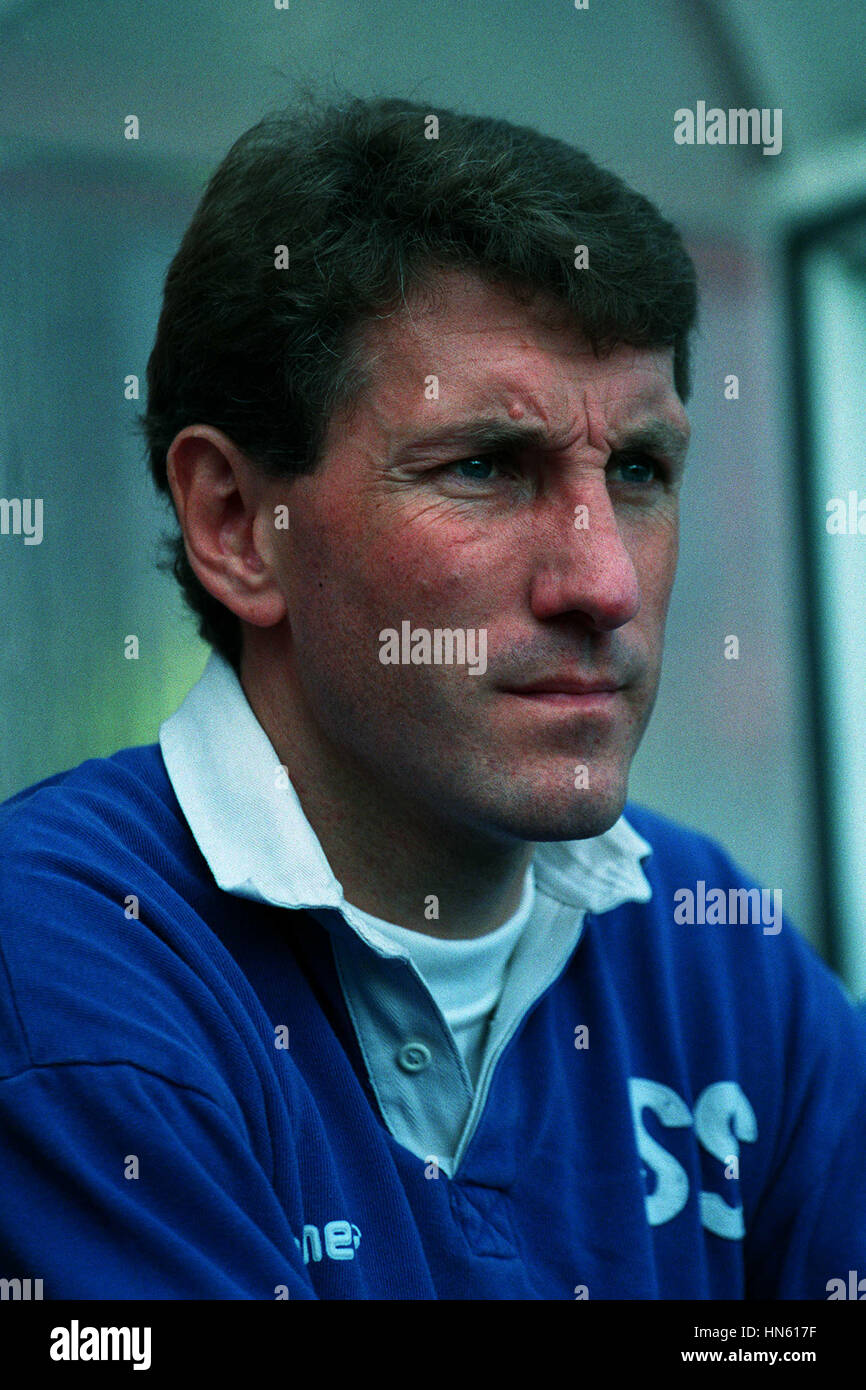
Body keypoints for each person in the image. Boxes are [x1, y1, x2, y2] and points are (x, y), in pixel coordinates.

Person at [1, 93, 864, 1301]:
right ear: (238, 524)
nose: (603, 581)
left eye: (637, 469)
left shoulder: (709, 948)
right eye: (482, 466)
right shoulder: (61, 963)